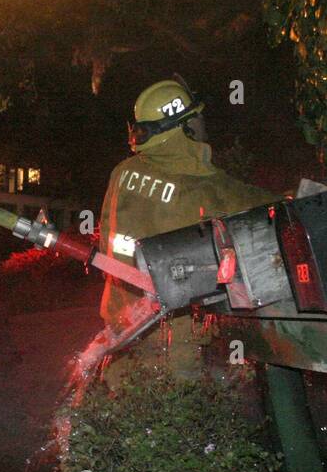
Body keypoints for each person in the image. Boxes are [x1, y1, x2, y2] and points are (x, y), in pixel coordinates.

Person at [97, 77, 272, 374]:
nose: (203, 123)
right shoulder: (206, 188)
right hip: (172, 336)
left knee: (123, 405)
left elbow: (105, 241)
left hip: (120, 324)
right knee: (177, 413)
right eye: (196, 116)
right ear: (185, 127)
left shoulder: (123, 173)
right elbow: (268, 208)